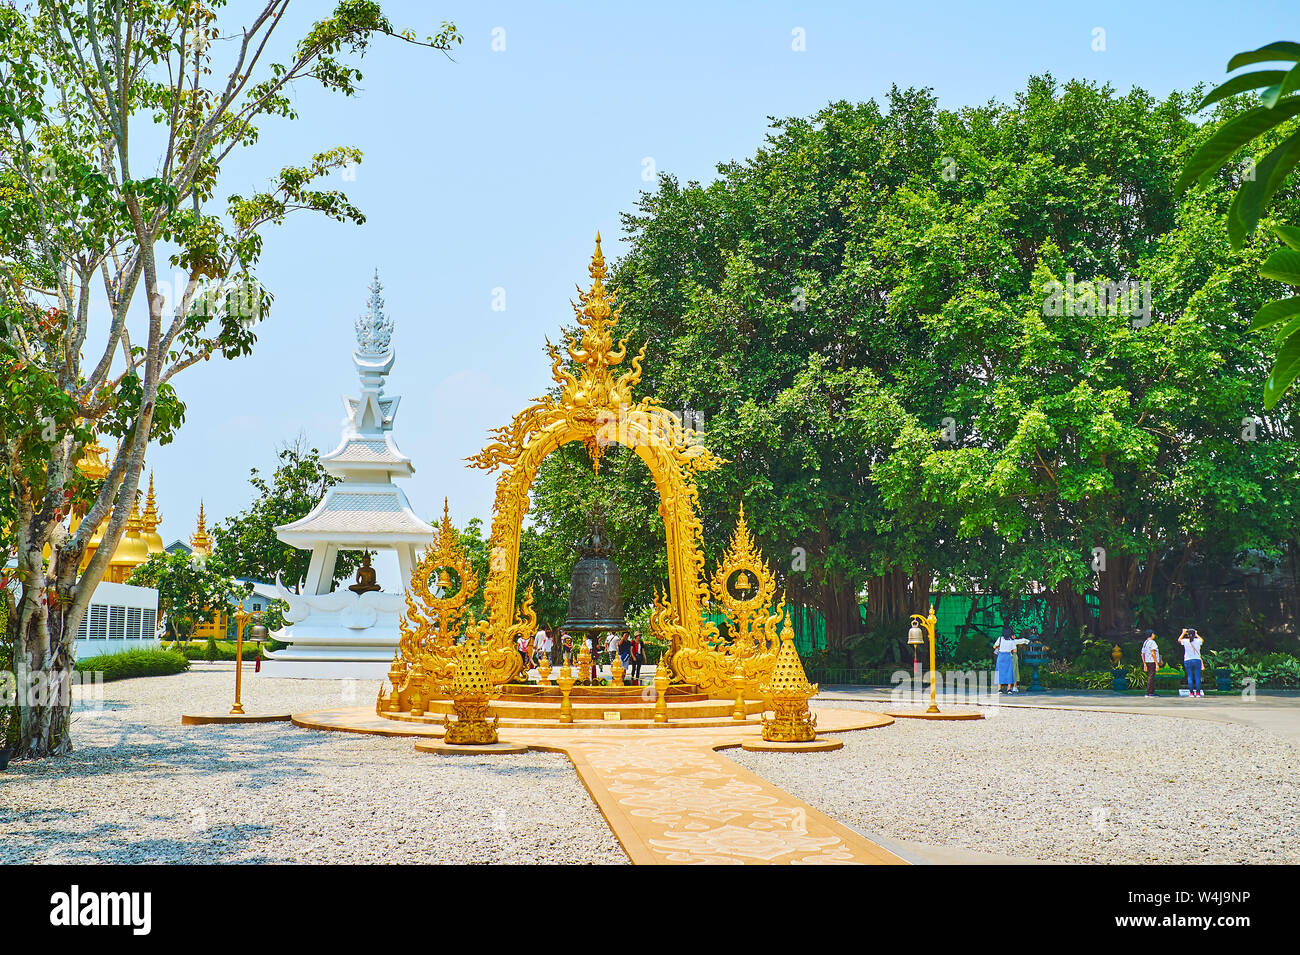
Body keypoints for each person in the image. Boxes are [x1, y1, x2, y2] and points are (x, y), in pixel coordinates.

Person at [992, 627, 1027, 694]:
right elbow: (1014, 650)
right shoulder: (1011, 641)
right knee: (1009, 672)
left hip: (1001, 657)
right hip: (1008, 656)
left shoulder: (1000, 639)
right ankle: (1009, 689)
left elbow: (994, 646)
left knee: (1000, 672)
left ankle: (999, 689)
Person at [1179, 628, 1204, 698]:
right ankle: (1198, 693)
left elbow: (1179, 640)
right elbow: (1202, 640)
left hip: (1188, 660)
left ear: (1187, 634)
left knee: (1190, 677)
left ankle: (1191, 693)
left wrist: (1183, 633)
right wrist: (1196, 634)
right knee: (1197, 677)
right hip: (1197, 660)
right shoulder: (1198, 641)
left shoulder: (1185, 641)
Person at [1140, 629, 1160, 698]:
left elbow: (1142, 653)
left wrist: (1144, 663)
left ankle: (1150, 692)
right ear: (1151, 634)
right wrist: (1156, 663)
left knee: (1150, 676)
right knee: (1151, 677)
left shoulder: (1145, 642)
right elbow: (1153, 653)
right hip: (1152, 661)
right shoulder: (1152, 642)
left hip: (1148, 661)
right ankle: (1150, 692)